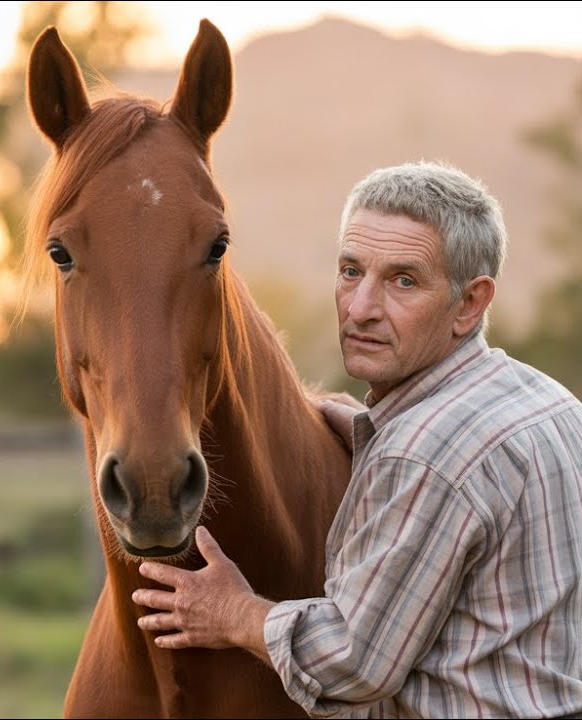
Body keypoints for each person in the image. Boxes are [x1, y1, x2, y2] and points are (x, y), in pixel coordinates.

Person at [133, 161, 582, 717]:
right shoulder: (550, 404)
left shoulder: (423, 455)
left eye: (403, 281)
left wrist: (234, 613)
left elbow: (355, 659)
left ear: (470, 303)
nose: (360, 309)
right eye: (350, 271)